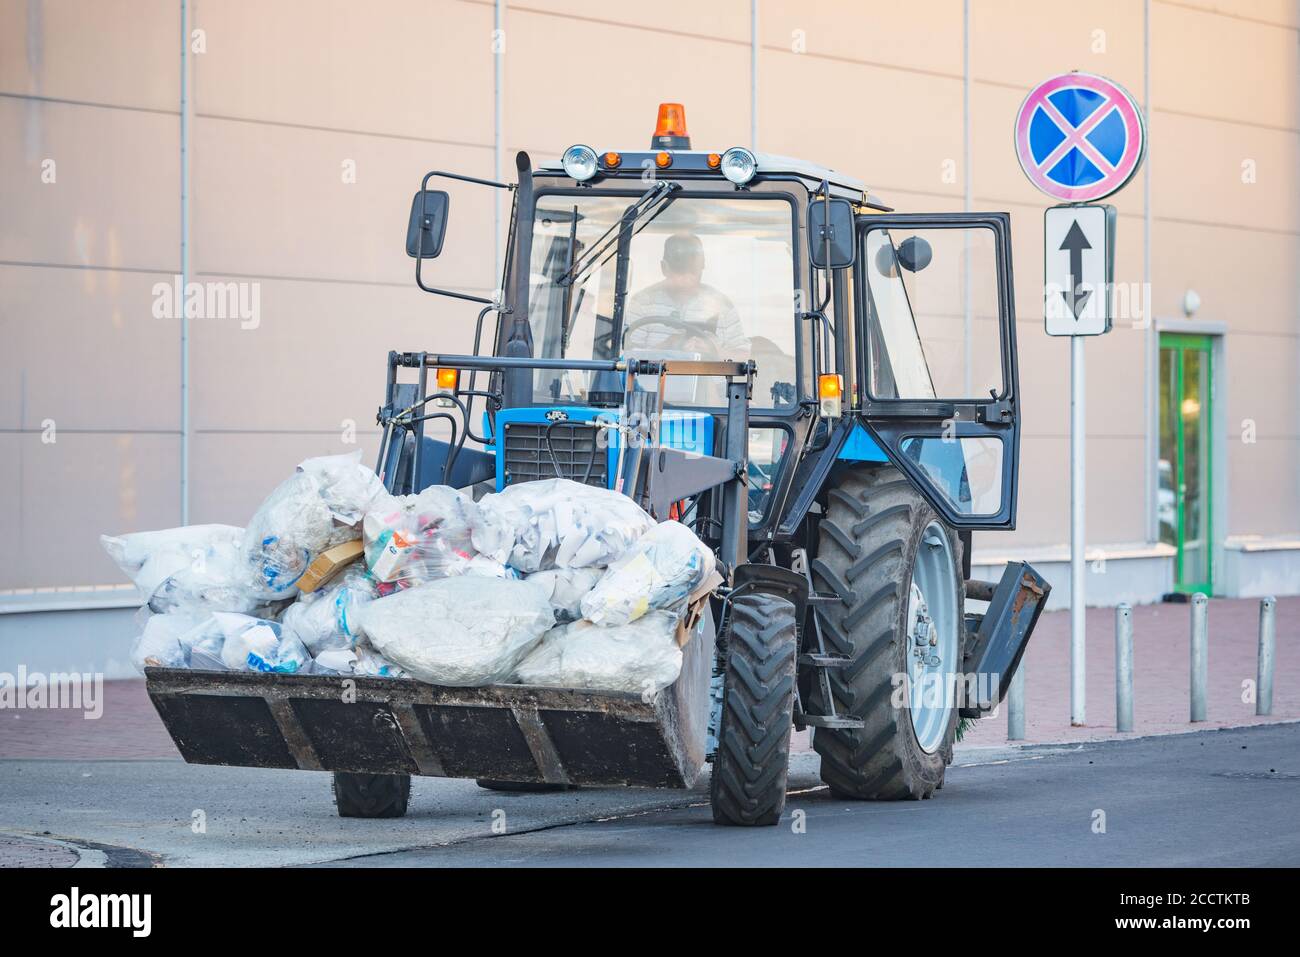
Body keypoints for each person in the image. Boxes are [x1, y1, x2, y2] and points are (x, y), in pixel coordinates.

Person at [622, 233, 749, 358]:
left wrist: (714, 350)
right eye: (680, 272)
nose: (687, 280)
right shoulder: (642, 303)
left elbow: (744, 356)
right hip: (656, 379)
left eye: (692, 272)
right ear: (664, 267)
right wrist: (668, 346)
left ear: (703, 266)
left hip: (710, 378)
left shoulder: (722, 306)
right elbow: (626, 356)